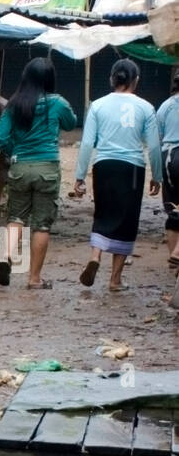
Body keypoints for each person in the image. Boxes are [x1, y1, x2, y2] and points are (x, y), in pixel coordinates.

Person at [73, 58, 163, 292]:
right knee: (127, 219)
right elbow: (153, 146)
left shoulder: (98, 105)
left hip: (103, 165)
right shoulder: (145, 107)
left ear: (112, 79)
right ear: (136, 81)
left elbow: (86, 144)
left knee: (103, 212)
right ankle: (115, 280)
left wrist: (80, 175)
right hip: (132, 168)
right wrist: (157, 175)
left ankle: (95, 256)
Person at [0, 58, 77, 289]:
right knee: (41, 225)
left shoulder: (14, 104)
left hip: (20, 166)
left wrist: (15, 151)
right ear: (50, 79)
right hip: (47, 168)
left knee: (15, 218)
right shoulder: (57, 103)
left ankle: (6, 256)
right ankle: (34, 279)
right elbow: (72, 123)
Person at [155, 73, 179, 269]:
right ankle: (178, 251)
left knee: (173, 209)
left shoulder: (166, 105)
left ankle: (173, 256)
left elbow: (158, 137)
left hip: (168, 157)